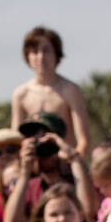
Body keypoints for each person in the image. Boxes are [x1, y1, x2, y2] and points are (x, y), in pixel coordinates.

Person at [11, 26, 90, 157]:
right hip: (35, 166)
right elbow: (16, 140)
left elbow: (83, 140)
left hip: (65, 162)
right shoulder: (21, 94)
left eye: (46, 51)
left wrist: (73, 163)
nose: (41, 57)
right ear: (27, 56)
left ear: (56, 54)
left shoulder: (71, 90)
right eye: (35, 52)